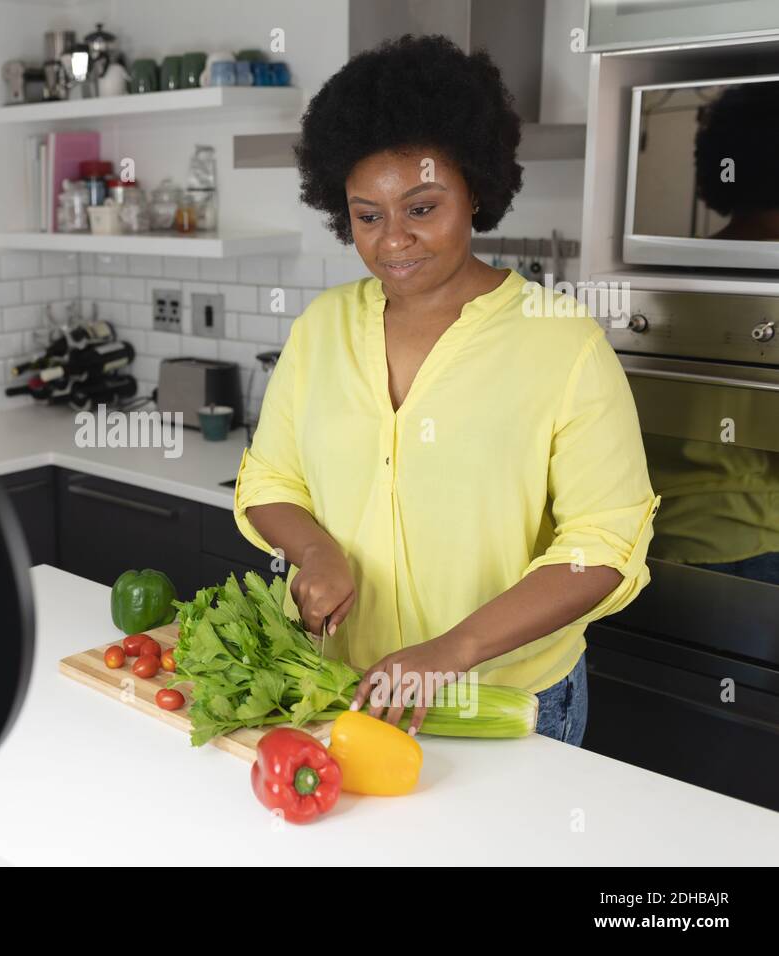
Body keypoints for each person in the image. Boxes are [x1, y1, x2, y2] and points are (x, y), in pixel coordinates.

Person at [233, 34, 661, 746]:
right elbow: (270, 479)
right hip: (348, 690)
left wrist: (452, 650)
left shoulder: (562, 341)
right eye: (368, 216)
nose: (392, 240)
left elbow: (606, 542)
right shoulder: (321, 329)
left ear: (476, 192)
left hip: (504, 702)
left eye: (422, 208)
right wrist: (315, 552)